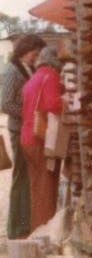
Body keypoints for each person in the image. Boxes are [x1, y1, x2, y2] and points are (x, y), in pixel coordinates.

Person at [1, 33, 46, 238]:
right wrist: (29, 114)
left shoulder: (29, 67)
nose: (35, 58)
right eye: (34, 54)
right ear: (24, 50)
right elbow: (6, 103)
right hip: (18, 129)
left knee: (27, 176)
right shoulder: (11, 70)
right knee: (20, 176)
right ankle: (16, 228)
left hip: (27, 128)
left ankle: (25, 223)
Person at [20, 45, 64, 234]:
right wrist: (71, 101)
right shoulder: (51, 76)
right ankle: (42, 234)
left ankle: (36, 231)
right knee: (46, 190)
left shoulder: (35, 77)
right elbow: (53, 104)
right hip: (41, 140)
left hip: (28, 138)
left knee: (37, 188)